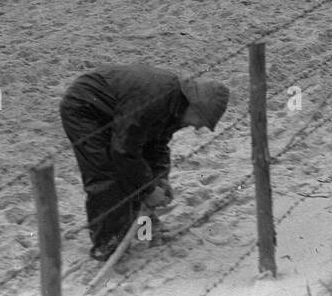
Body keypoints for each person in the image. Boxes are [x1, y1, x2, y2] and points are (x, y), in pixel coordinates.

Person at [59, 64, 229, 260]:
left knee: (138, 173)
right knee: (106, 172)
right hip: (85, 109)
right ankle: (108, 244)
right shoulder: (157, 99)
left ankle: (143, 231)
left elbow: (156, 146)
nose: (198, 127)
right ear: (194, 105)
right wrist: (148, 191)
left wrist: (159, 181)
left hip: (117, 113)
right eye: (202, 120)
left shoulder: (177, 106)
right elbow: (123, 151)